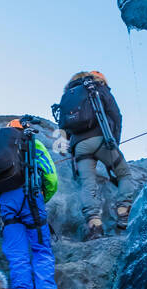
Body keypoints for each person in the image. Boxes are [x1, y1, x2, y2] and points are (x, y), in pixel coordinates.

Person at [0, 119, 60, 289]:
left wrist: (0, 201)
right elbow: (51, 177)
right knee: (41, 249)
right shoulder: (32, 144)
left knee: (17, 255)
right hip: (31, 197)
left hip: (6, 205)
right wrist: (41, 197)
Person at [53, 71, 137, 240]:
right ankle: (123, 211)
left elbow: (63, 127)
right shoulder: (97, 87)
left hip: (80, 146)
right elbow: (115, 114)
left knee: (87, 184)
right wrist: (114, 142)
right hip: (102, 138)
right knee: (124, 173)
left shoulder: (68, 97)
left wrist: (73, 148)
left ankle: (94, 225)